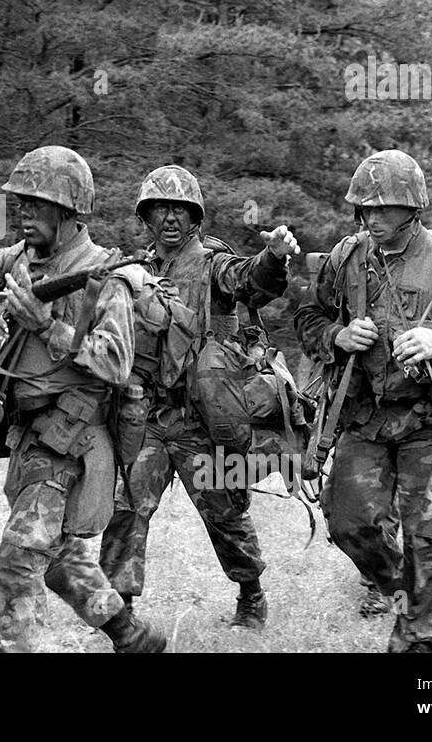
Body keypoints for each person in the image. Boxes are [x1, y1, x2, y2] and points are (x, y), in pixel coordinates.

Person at [294, 149, 432, 652]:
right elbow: (307, 318)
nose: (372, 217)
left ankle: (420, 640)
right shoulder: (345, 257)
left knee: (427, 536)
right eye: (365, 208)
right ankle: (410, 597)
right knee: (349, 524)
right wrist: (337, 334)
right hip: (365, 417)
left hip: (431, 421)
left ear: (413, 208)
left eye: (384, 208)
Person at [0, 145, 165, 652]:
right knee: (59, 554)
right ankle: (131, 635)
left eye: (36, 205)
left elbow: (115, 363)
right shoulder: (13, 262)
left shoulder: (105, 276)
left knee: (20, 557)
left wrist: (47, 326)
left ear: (70, 212)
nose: (23, 214)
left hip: (73, 434)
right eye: (20, 204)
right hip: (26, 433)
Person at [97, 165, 298, 630]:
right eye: (161, 209)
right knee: (127, 507)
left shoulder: (213, 264)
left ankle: (250, 593)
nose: (170, 218)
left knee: (224, 513)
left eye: (180, 210)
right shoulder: (135, 271)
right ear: (146, 217)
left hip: (200, 419)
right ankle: (120, 614)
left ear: (195, 217)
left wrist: (273, 257)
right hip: (146, 415)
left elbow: (251, 280)